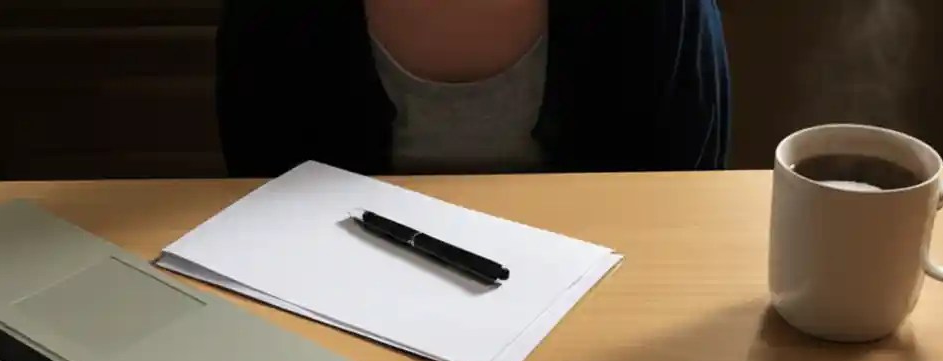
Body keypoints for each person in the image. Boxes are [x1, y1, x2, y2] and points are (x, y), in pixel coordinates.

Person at [215, 0, 731, 177]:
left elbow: (675, 215)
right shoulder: (276, 13)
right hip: (348, 338)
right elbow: (261, 201)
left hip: (595, 344)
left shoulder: (663, 12)